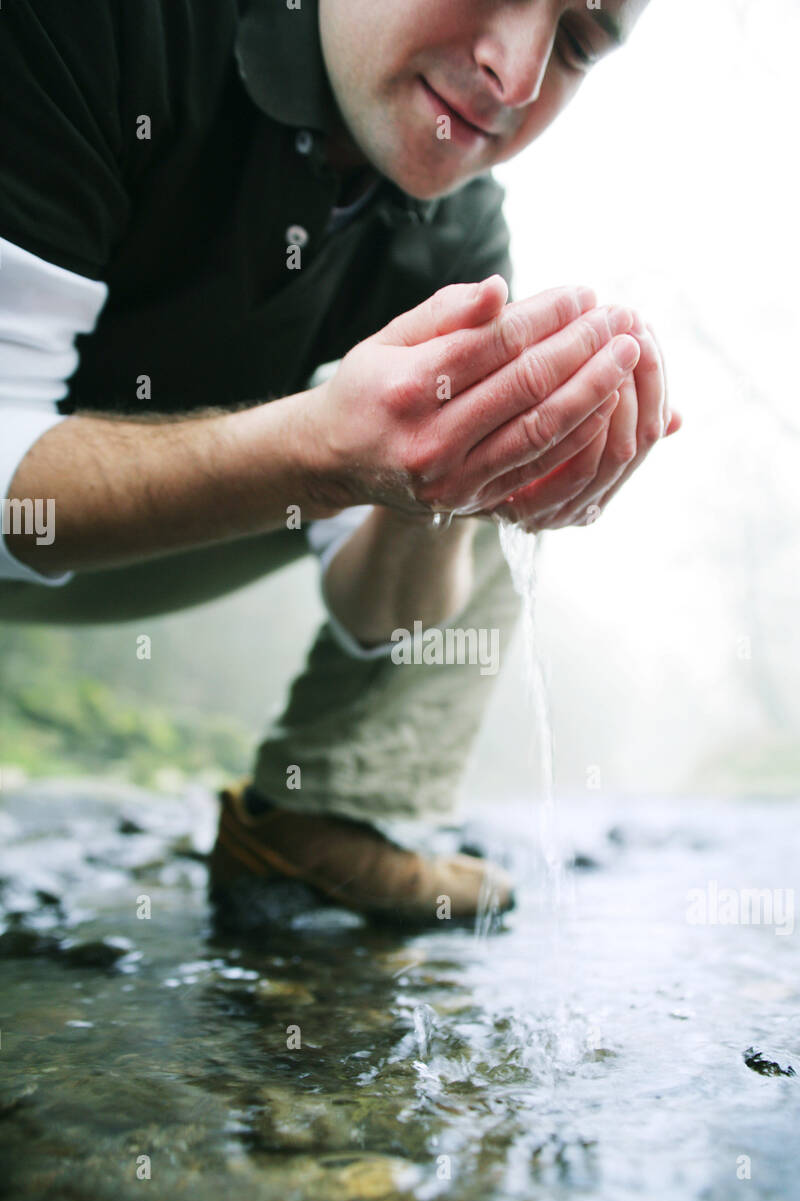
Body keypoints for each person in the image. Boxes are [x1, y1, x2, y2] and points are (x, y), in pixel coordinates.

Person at [0, 0, 680, 921]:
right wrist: (319, 448)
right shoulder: (91, 26)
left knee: (498, 434)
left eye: (577, 43)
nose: (514, 77)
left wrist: (430, 488)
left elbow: (384, 615)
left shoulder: (462, 242)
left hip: (112, 553)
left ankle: (326, 822)